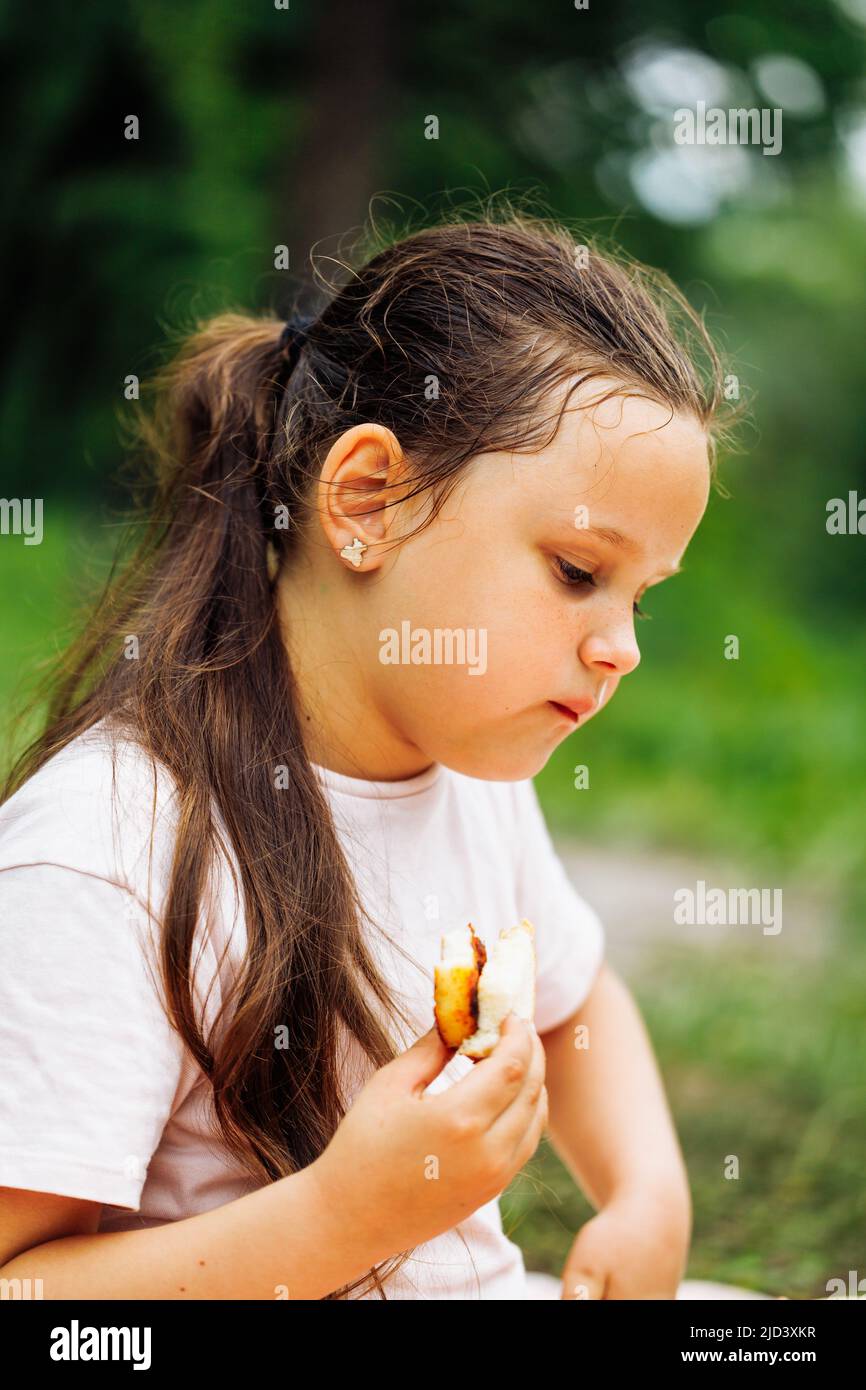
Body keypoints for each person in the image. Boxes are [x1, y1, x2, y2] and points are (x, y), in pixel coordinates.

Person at [0, 211, 729, 1299]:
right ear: (367, 499)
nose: (618, 647)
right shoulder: (106, 851)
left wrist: (645, 1191)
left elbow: (574, 1002)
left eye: (641, 597)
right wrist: (340, 1218)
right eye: (578, 571)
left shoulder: (466, 770)